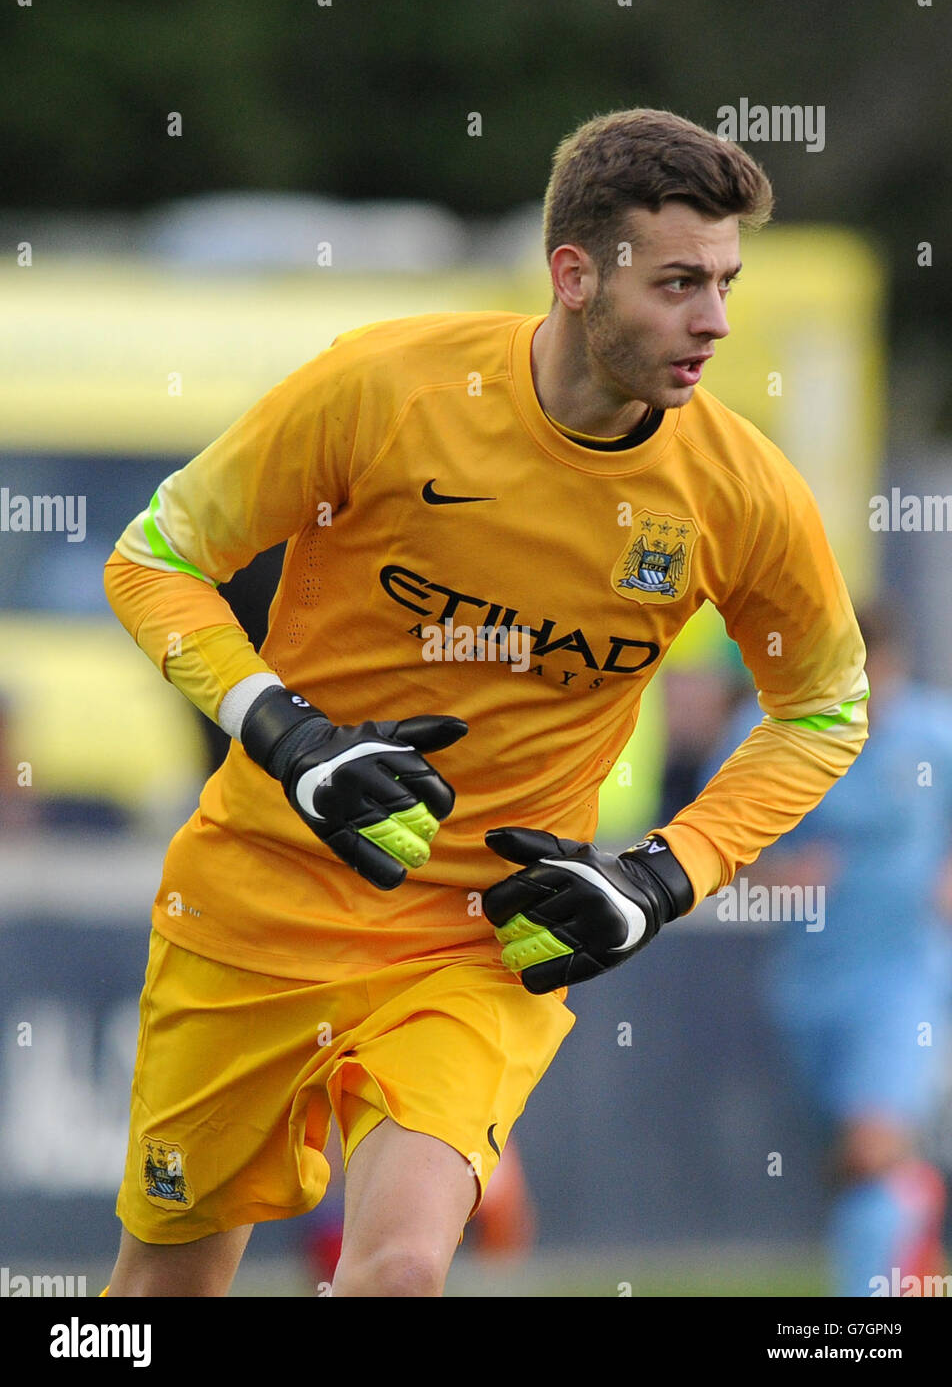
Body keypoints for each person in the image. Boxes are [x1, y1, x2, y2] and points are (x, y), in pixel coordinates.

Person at [100, 108, 868, 1297]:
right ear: (574, 274)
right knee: (159, 1299)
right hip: (253, 909)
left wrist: (661, 877)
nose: (713, 321)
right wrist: (289, 738)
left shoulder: (740, 490)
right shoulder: (384, 386)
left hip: (476, 942)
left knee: (401, 1270)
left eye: (723, 281)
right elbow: (153, 558)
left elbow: (822, 710)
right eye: (676, 284)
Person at [709, 603, 952, 1296]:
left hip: (906, 978)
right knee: (849, 1161)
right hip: (810, 983)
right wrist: (782, 877)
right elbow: (711, 852)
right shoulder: (765, 737)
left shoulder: (936, 738)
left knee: (870, 1144)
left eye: (884, 674)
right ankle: (910, 1220)